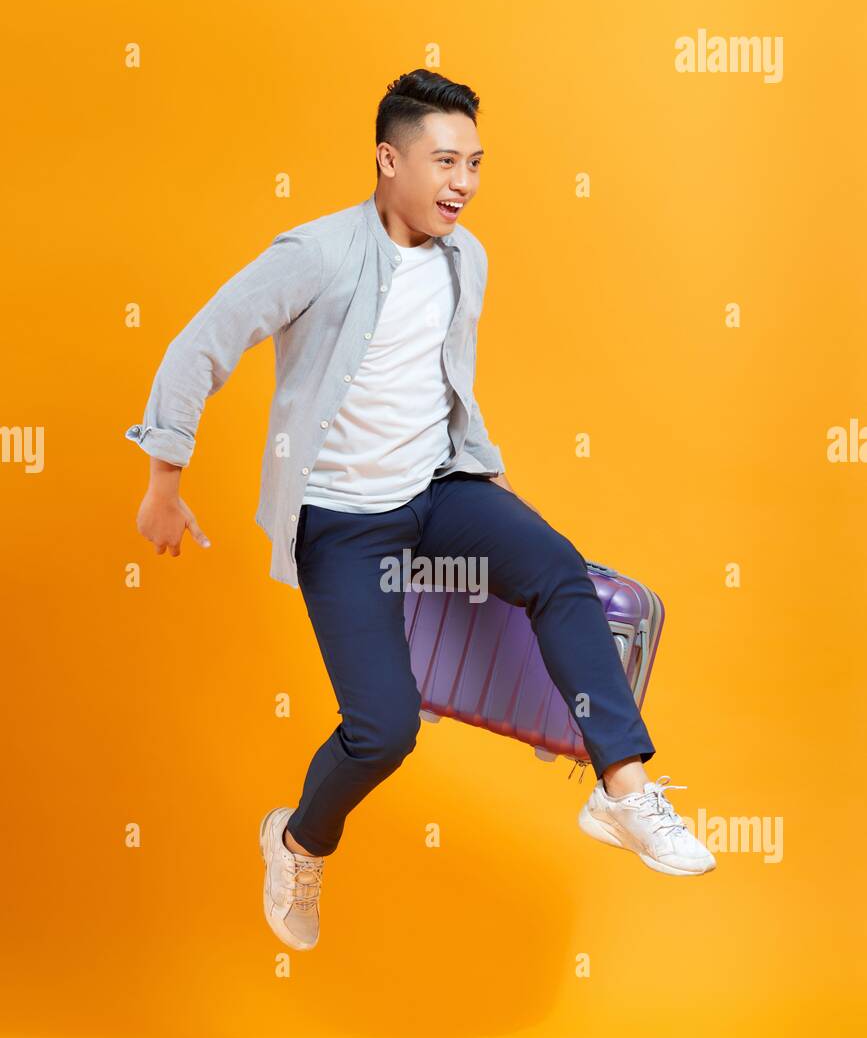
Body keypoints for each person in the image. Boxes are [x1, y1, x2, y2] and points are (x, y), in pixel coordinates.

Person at [126, 69, 716, 953]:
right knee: (382, 731)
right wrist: (163, 481)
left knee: (561, 571)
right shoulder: (316, 254)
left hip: (435, 492)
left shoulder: (464, 258)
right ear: (387, 160)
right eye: (444, 161)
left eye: (475, 163)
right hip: (340, 523)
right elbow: (200, 344)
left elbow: (435, 387)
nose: (462, 183)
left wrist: (477, 487)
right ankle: (294, 842)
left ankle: (621, 792)